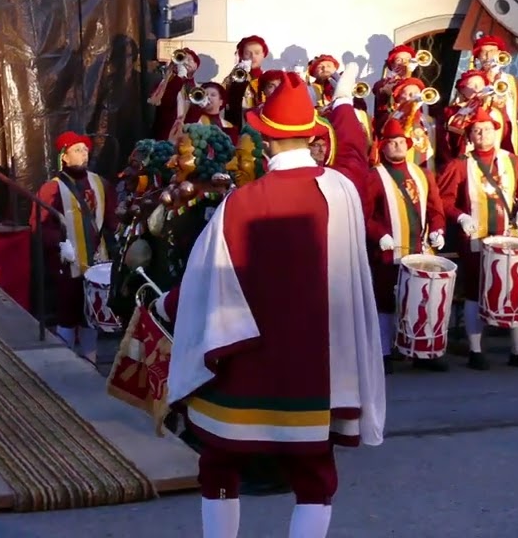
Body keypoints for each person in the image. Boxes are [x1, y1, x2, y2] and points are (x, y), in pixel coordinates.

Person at [155, 72, 385, 538]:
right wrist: (342, 105)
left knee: (219, 467)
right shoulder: (340, 192)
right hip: (317, 376)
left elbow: (204, 284)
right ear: (312, 135)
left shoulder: (240, 203)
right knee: (314, 478)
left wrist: (164, 305)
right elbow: (357, 159)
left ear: (264, 139)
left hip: (245, 371)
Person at [437, 107, 518, 370]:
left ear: (496, 132)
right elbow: (444, 200)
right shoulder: (459, 165)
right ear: (470, 136)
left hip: (509, 240)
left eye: (487, 129)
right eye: (476, 130)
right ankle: (476, 351)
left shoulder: (513, 161)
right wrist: (460, 217)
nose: (482, 134)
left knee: (517, 292)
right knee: (474, 291)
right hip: (475, 240)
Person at [363, 119, 447, 372]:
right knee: (386, 301)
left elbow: (435, 209)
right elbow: (364, 214)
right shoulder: (374, 175)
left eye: (401, 142)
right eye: (392, 143)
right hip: (388, 252)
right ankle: (385, 353)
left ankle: (422, 351)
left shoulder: (423, 173)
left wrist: (438, 229)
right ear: (383, 147)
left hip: (419, 250)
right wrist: (379, 234)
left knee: (421, 300)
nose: (397, 146)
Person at [33, 131, 118, 364]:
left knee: (92, 314)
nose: (84, 155)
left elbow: (112, 219)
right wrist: (60, 245)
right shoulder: (51, 189)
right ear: (64, 156)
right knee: (68, 312)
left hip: (97, 261)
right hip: (68, 262)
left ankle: (90, 360)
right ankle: (65, 361)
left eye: (86, 150)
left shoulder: (101, 184)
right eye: (78, 150)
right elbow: (40, 225)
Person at [471, 34, 518, 155]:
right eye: (483, 52)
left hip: (508, 136)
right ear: (478, 58)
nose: (488, 56)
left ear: (500, 54)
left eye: (492, 51)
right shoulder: (471, 82)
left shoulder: (515, 82)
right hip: (480, 135)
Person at [148, 48, 200, 140]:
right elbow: (164, 102)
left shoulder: (198, 88)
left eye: (189, 60)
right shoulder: (165, 83)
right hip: (165, 136)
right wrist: (179, 78)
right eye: (182, 59)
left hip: (188, 138)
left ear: (196, 65)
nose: (185, 63)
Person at [223, 35, 269, 127]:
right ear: (242, 56)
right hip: (237, 124)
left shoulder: (267, 79)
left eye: (257, 53)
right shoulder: (233, 77)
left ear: (264, 54)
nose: (253, 57)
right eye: (248, 53)